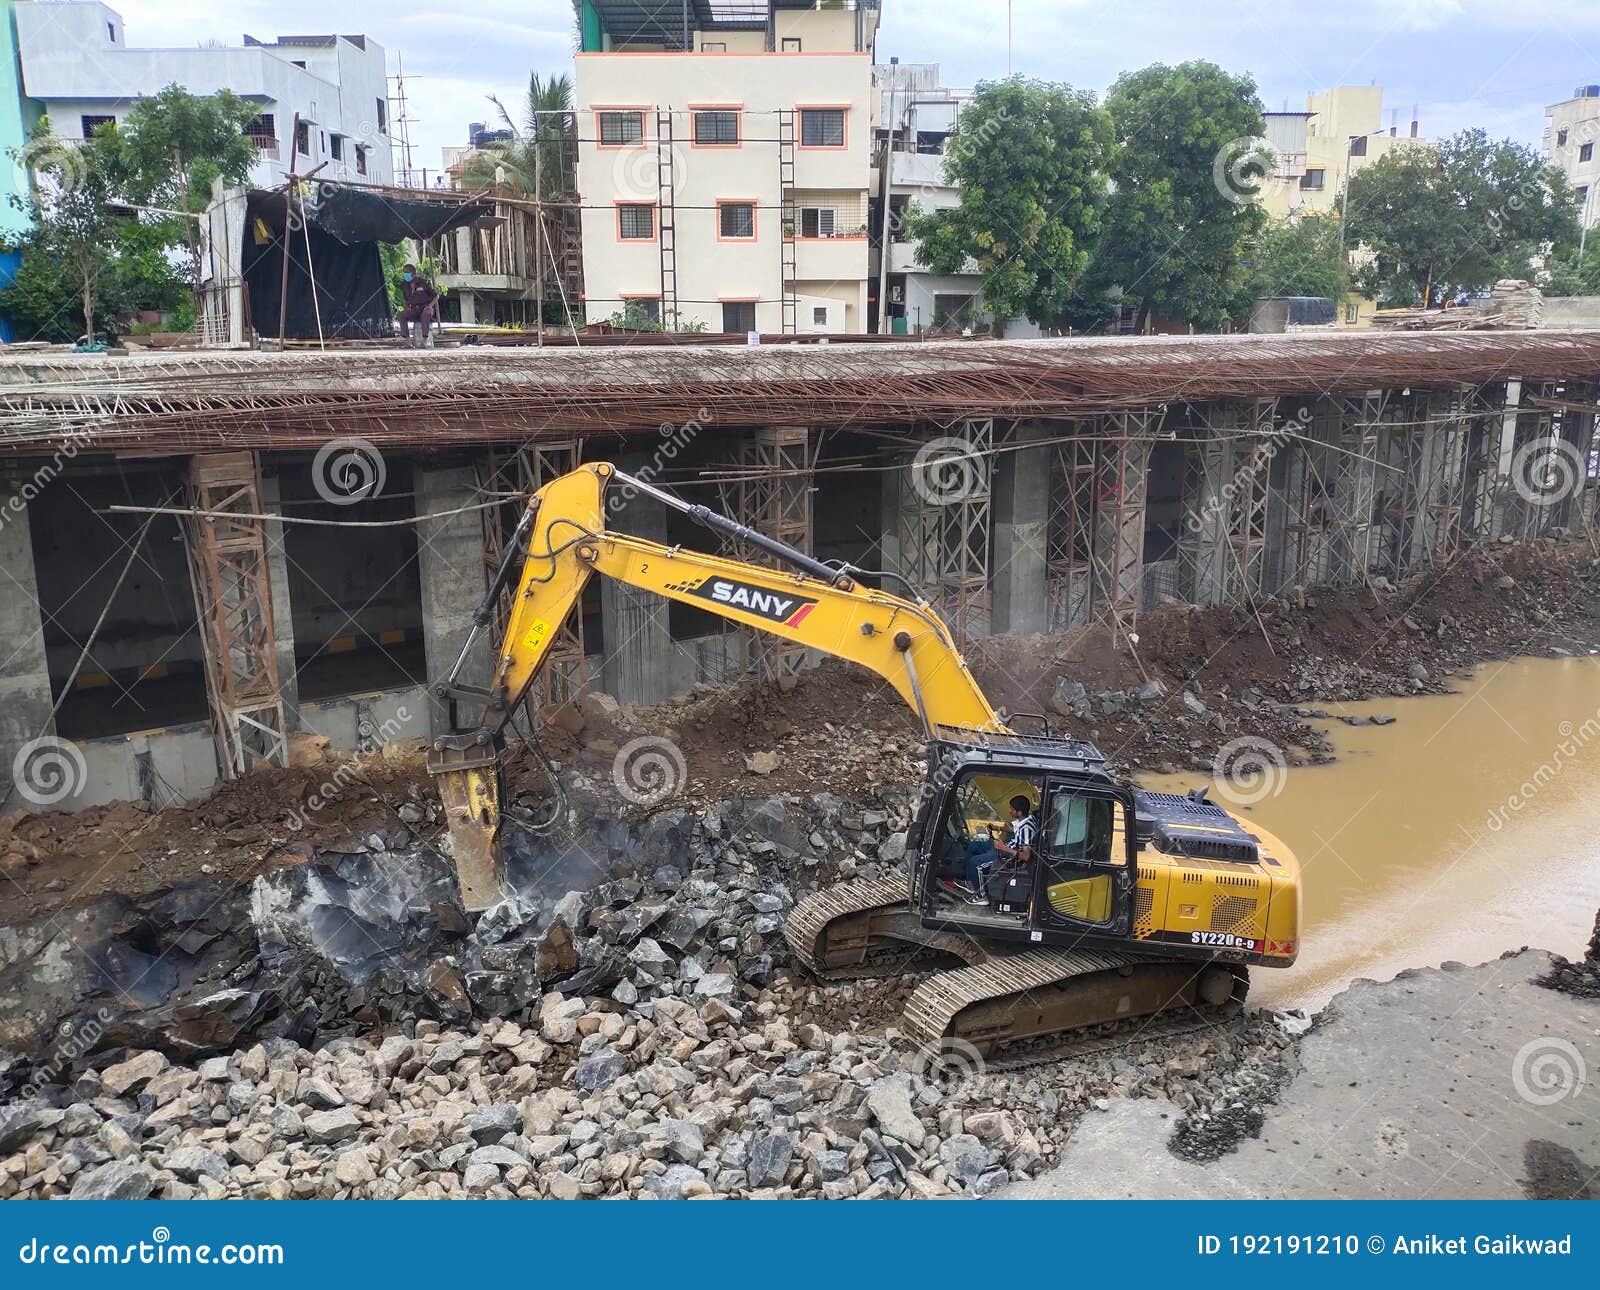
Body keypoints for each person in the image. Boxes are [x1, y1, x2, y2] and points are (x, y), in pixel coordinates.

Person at [962, 794, 1036, 905]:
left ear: (1019, 812)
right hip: (1004, 847)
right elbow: (1014, 829)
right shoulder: (1026, 819)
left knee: (975, 863)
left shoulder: (1027, 829)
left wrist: (1003, 848)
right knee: (974, 845)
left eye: (1012, 809)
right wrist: (998, 828)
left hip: (1007, 856)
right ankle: (972, 882)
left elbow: (1026, 856)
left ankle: (981, 897)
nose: (1009, 811)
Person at [397, 263, 438, 348]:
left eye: (407, 273)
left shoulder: (423, 282)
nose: (405, 275)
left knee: (425, 314)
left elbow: (436, 296)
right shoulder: (404, 285)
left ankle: (424, 341)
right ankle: (407, 341)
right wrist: (407, 307)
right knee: (401, 315)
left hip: (425, 307)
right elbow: (406, 299)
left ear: (414, 274)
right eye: (404, 272)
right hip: (414, 309)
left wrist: (430, 306)